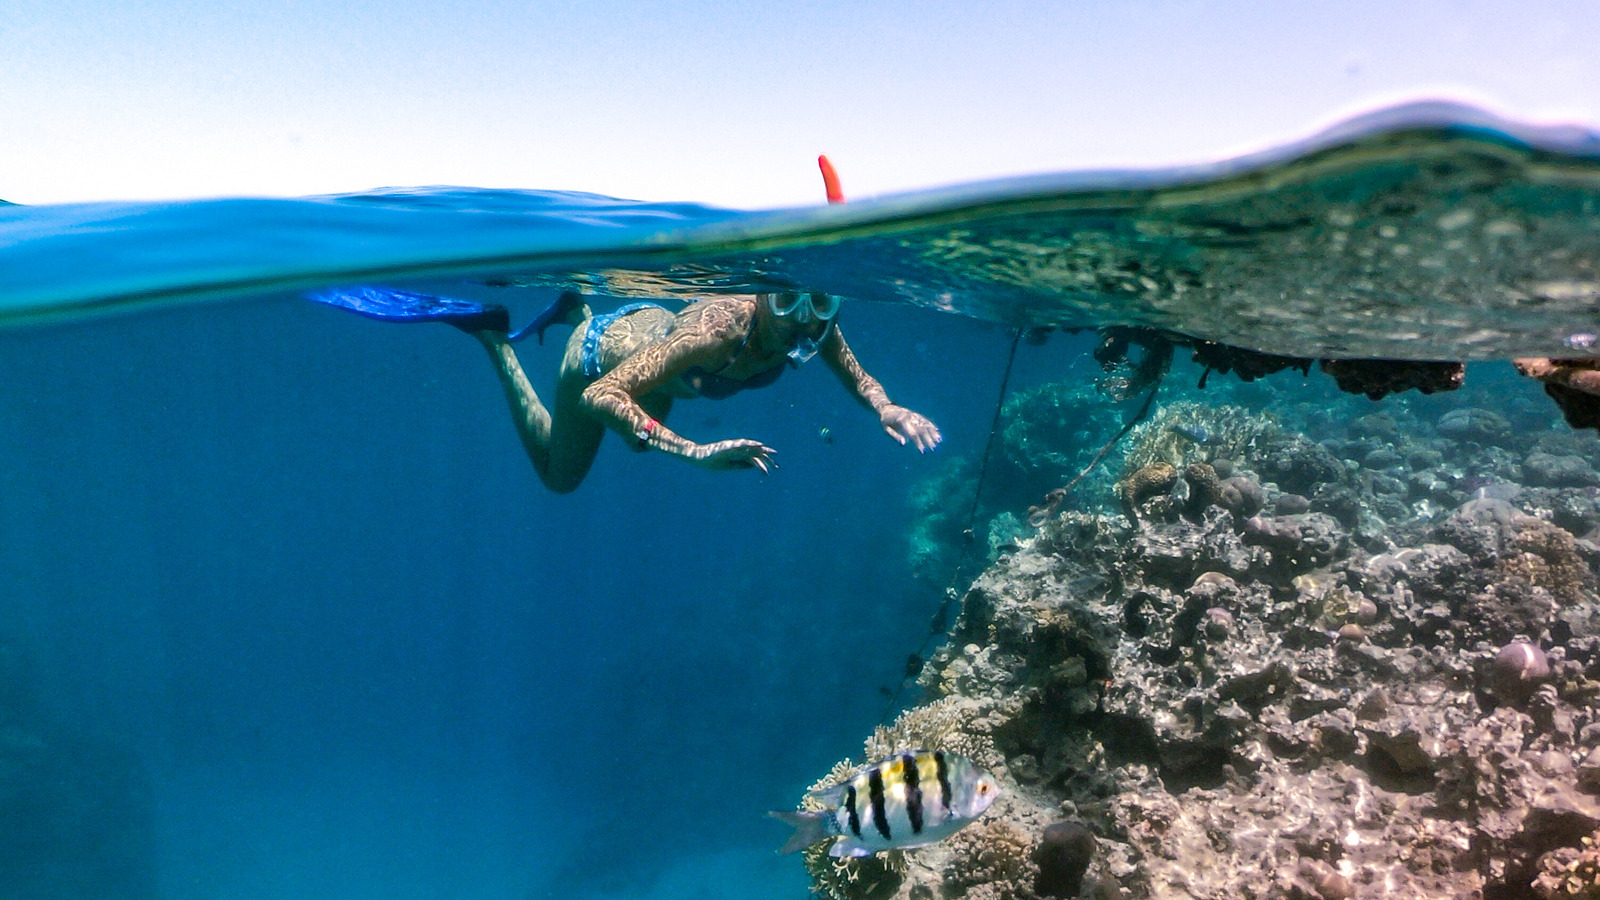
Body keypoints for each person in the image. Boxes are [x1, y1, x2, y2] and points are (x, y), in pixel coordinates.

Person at [311, 285, 942, 493]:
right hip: (594, 363)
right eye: (788, 301)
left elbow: (855, 373)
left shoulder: (814, 325)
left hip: (655, 356)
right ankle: (495, 337)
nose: (803, 319)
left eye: (820, 304)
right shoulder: (718, 333)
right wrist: (698, 452)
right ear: (762, 298)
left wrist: (887, 407)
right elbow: (602, 397)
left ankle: (577, 300)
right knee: (560, 479)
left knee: (640, 445)